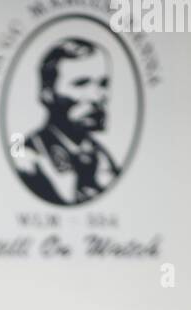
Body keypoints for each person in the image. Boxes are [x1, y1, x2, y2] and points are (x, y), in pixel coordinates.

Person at [13, 36, 121, 205]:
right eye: (81, 83)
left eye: (103, 84)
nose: (97, 96)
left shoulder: (103, 158)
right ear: (47, 93)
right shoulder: (26, 156)